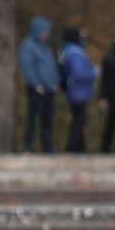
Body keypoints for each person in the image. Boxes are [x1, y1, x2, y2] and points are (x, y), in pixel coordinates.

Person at [18, 15, 60, 154]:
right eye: (45, 31)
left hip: (49, 89)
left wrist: (55, 82)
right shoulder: (27, 46)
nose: (46, 34)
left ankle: (48, 148)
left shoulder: (46, 48)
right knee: (33, 118)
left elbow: (51, 66)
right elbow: (27, 66)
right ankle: (28, 146)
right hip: (37, 89)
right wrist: (35, 83)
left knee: (48, 120)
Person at [59, 28, 97, 153]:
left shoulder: (69, 49)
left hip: (75, 91)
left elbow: (80, 49)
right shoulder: (73, 53)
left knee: (79, 119)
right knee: (79, 120)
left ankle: (79, 148)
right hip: (78, 91)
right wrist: (93, 72)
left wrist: (83, 38)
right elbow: (79, 72)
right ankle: (72, 148)